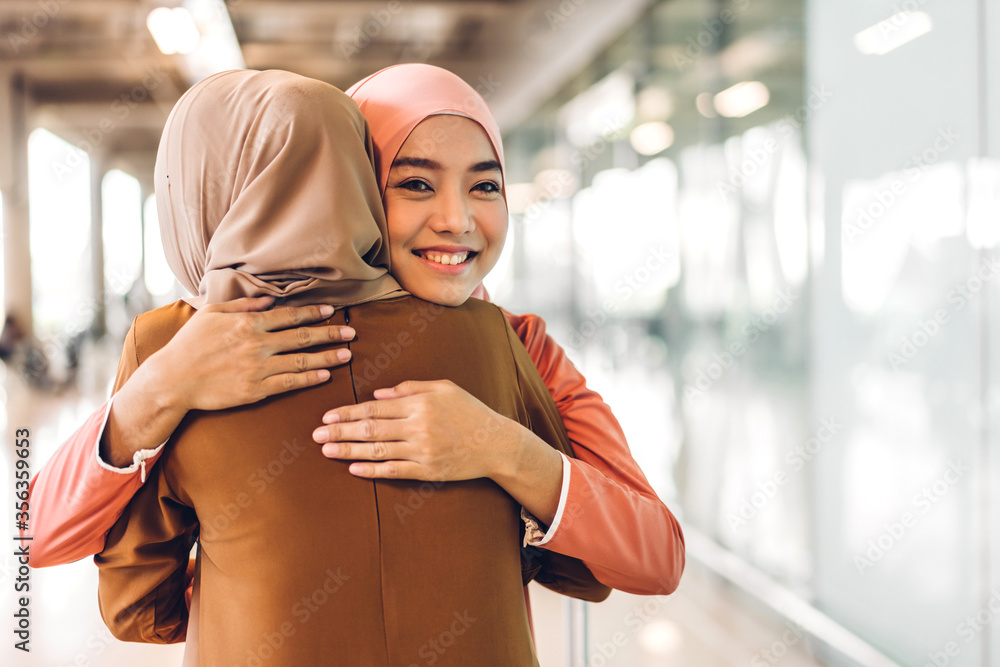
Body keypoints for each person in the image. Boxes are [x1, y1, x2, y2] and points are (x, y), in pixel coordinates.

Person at [28, 64, 683, 601]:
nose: (457, 220)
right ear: (351, 187)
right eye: (416, 183)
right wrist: (155, 392)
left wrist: (502, 449)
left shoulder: (521, 346)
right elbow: (36, 534)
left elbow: (657, 554)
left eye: (485, 186)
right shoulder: (211, 339)